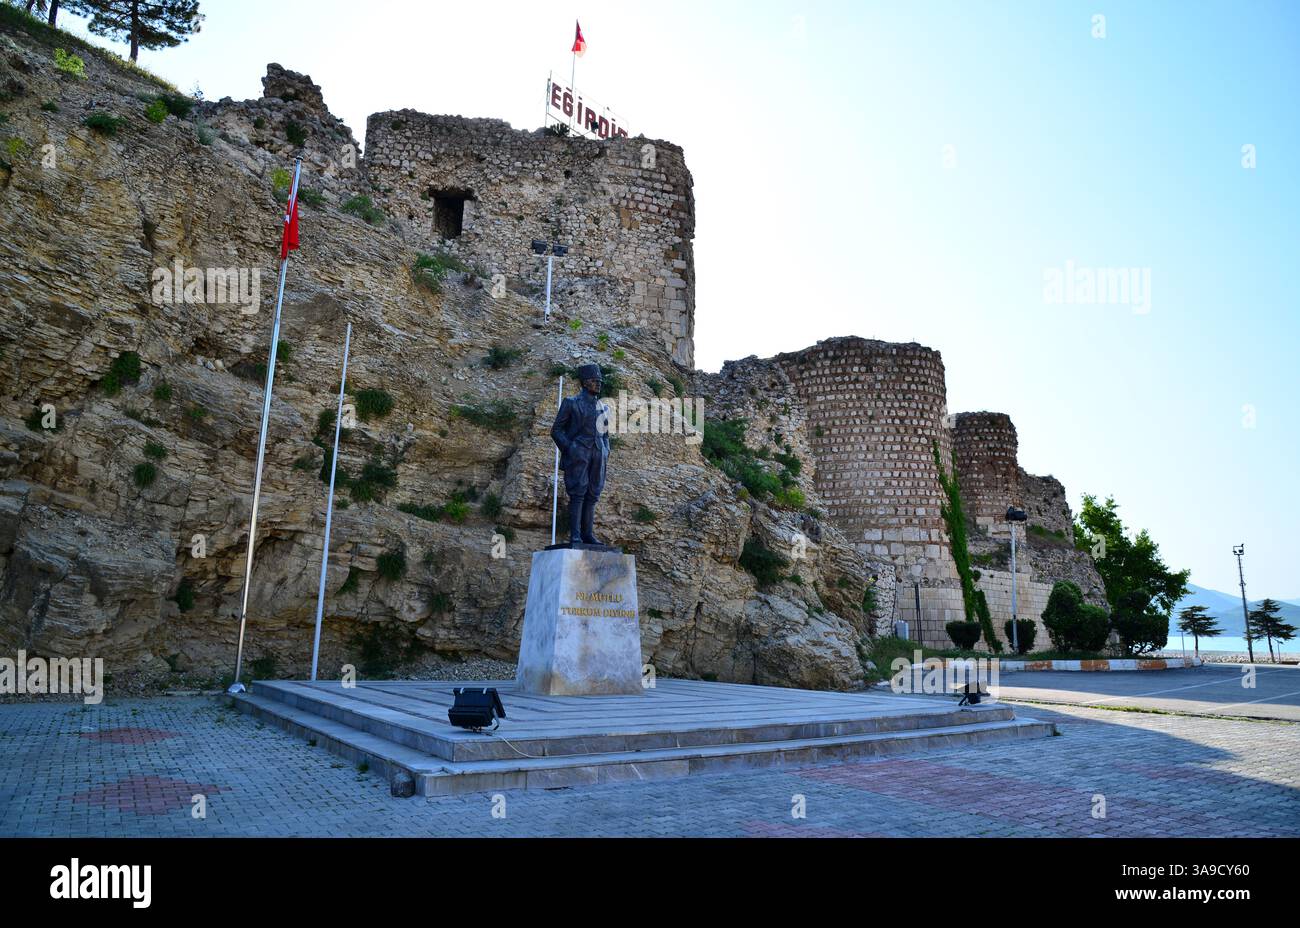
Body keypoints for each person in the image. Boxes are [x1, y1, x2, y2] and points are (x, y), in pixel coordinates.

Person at [551, 364, 611, 545]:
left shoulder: (604, 408)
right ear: (585, 383)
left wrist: (606, 450)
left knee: (593, 494)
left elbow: (606, 433)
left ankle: (588, 535)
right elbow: (556, 430)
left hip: (598, 453)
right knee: (578, 493)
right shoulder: (571, 403)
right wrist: (570, 448)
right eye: (595, 381)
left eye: (599, 381)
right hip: (579, 453)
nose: (598, 384)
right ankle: (575, 535)